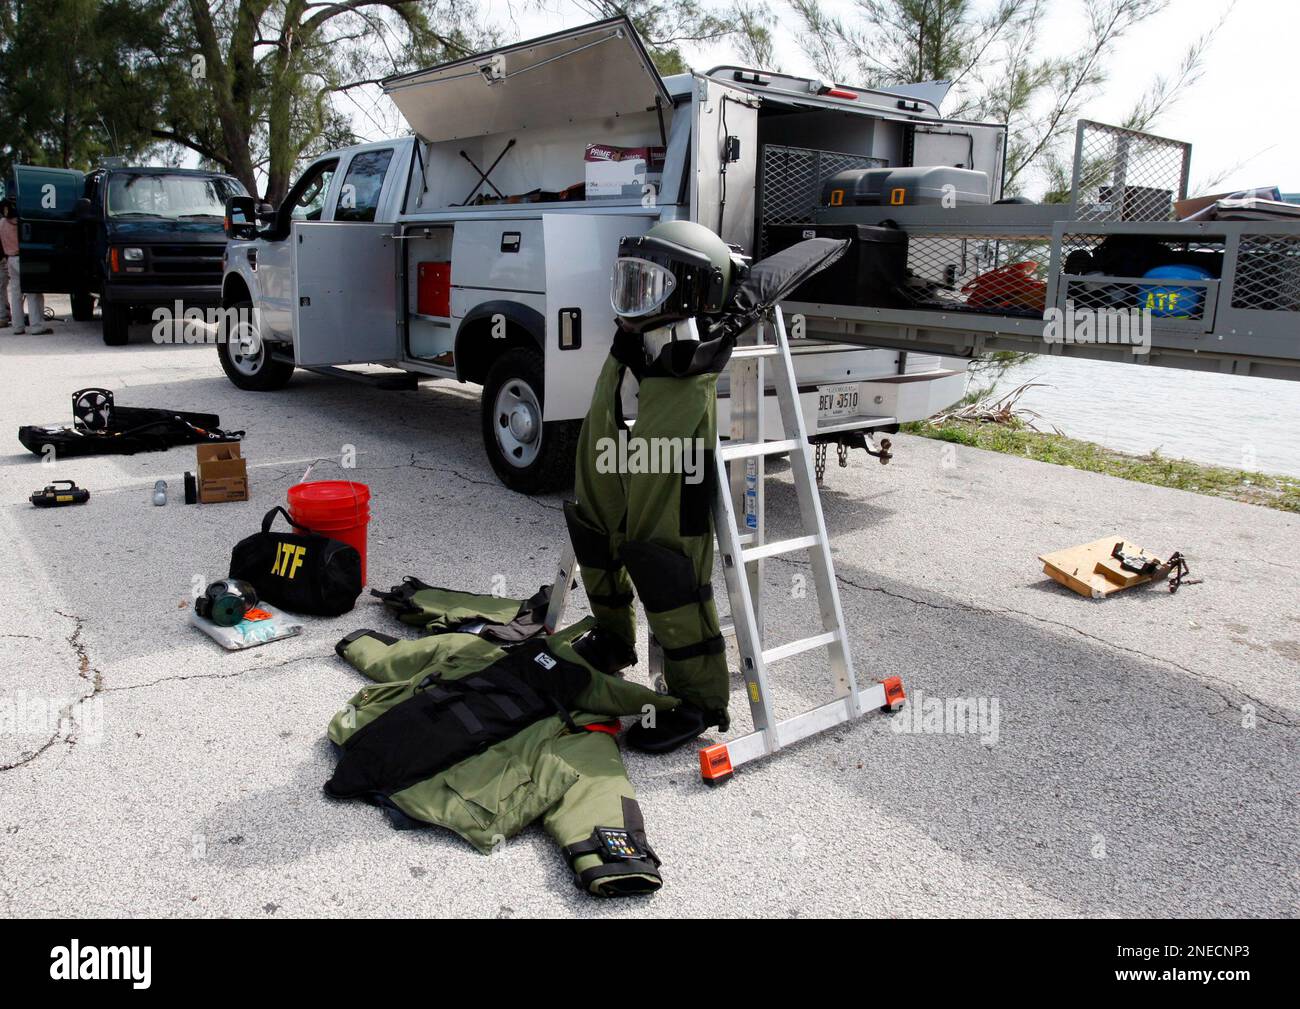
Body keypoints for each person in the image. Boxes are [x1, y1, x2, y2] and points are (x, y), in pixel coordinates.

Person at [1, 198, 53, 334]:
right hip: (24, 258)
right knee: (33, 292)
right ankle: (36, 325)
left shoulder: (2, 223)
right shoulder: (21, 222)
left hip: (10, 259)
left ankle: (18, 326)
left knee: (16, 294)